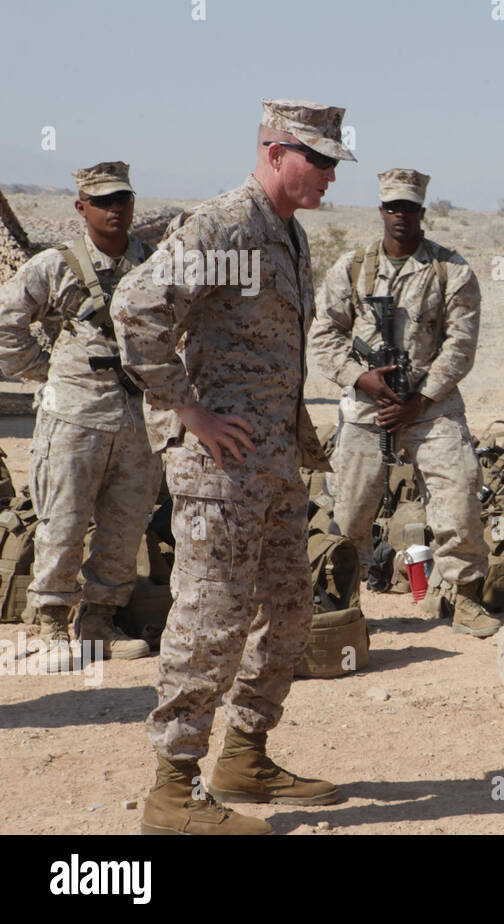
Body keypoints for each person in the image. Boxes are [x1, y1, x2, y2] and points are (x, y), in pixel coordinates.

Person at [114, 98, 353, 835]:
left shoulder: (290, 236)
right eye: (317, 161)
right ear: (275, 150)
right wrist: (188, 412)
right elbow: (134, 308)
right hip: (219, 473)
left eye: (333, 163)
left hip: (274, 466)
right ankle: (173, 790)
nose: (328, 177)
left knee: (287, 613)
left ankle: (245, 755)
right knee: (209, 620)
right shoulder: (228, 224)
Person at [310, 168, 496, 637]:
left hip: (430, 408)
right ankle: (343, 601)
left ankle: (465, 597)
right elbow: (324, 334)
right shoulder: (352, 267)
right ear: (381, 211)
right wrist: (360, 377)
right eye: (393, 207)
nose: (400, 216)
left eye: (409, 208)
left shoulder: (449, 269)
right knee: (350, 511)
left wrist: (420, 398)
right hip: (366, 408)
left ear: (421, 212)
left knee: (459, 496)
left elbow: (461, 344)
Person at [0, 161, 160, 669]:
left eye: (123, 199)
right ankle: (50, 624)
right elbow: (6, 324)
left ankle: (100, 622)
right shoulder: (57, 264)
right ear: (82, 207)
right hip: (74, 418)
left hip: (137, 420)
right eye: (104, 200)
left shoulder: (154, 264)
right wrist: (46, 373)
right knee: (62, 523)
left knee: (125, 525)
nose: (116, 209)